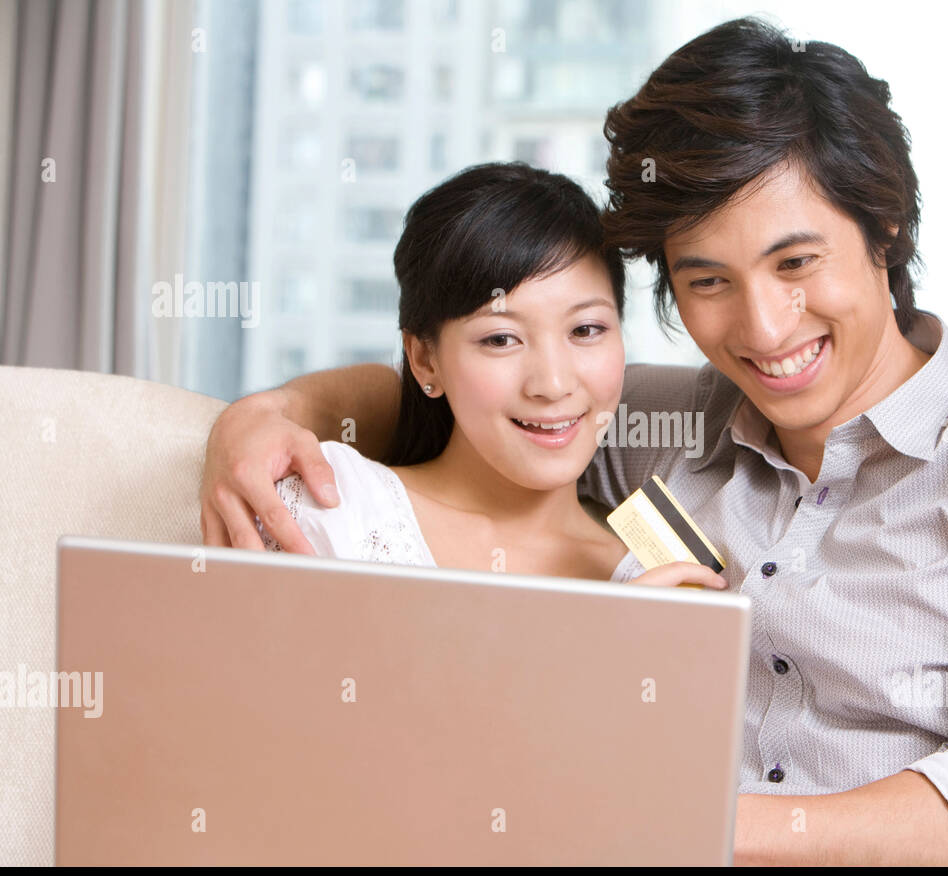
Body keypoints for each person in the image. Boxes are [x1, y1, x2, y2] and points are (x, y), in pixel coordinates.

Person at [201, 17, 948, 866]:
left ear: (886, 229)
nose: (765, 331)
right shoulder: (659, 422)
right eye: (707, 281)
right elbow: (472, 394)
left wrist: (670, 825)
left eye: (796, 262)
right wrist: (266, 418)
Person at [248, 161, 725, 591]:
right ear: (425, 361)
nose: (553, 384)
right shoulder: (326, 511)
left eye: (585, 329)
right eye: (500, 339)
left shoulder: (664, 581)